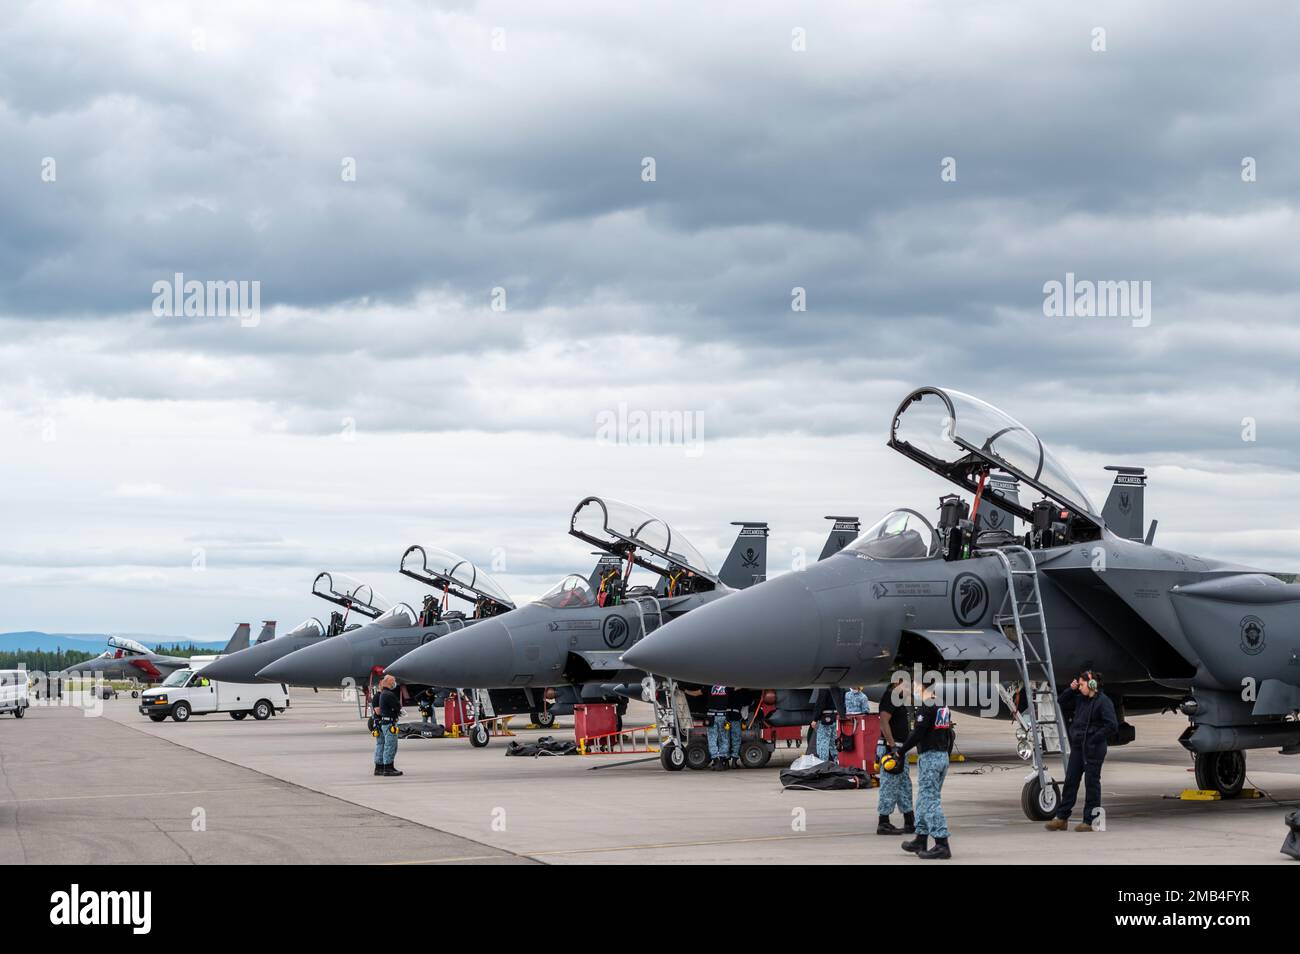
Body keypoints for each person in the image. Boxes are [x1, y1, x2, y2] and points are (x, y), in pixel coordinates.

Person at [1046, 670, 1118, 832]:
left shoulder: (1103, 702)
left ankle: (1089, 821)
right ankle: (1062, 817)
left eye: (1082, 684)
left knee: (1091, 784)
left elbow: (1111, 725)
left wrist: (1094, 739)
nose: (1080, 688)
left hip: (1093, 748)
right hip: (1079, 747)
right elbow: (1061, 701)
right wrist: (1070, 689)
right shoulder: (1081, 700)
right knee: (1071, 780)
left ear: (1092, 684)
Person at [898, 683, 954, 859]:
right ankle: (921, 838)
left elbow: (917, 734)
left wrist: (900, 751)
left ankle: (942, 843)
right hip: (941, 756)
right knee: (924, 799)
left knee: (930, 800)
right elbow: (949, 733)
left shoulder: (927, 706)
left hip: (930, 757)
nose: (913, 689)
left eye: (915, 685)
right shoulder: (942, 705)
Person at [876, 672, 915, 836]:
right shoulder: (889, 698)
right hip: (891, 749)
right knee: (890, 786)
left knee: (905, 785)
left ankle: (909, 821)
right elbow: (884, 721)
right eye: (906, 686)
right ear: (896, 683)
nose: (908, 689)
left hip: (900, 749)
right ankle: (883, 822)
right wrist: (892, 747)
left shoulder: (897, 699)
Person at [371, 674, 404, 777]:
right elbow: (378, 711)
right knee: (389, 745)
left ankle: (381, 767)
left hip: (382, 723)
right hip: (385, 723)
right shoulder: (383, 695)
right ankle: (387, 768)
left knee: (382, 745)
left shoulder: (382, 695)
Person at [704, 684, 741, 769]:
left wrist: (685, 690)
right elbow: (738, 687)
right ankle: (722, 760)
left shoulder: (709, 685)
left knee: (712, 738)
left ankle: (715, 760)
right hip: (723, 716)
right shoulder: (727, 686)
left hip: (711, 716)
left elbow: (697, 693)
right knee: (724, 738)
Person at [809, 687, 845, 763]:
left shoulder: (824, 687)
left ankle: (823, 764)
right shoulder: (841, 688)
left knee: (823, 744)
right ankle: (837, 763)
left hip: (825, 719)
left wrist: (815, 719)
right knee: (835, 744)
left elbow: (820, 703)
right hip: (836, 718)